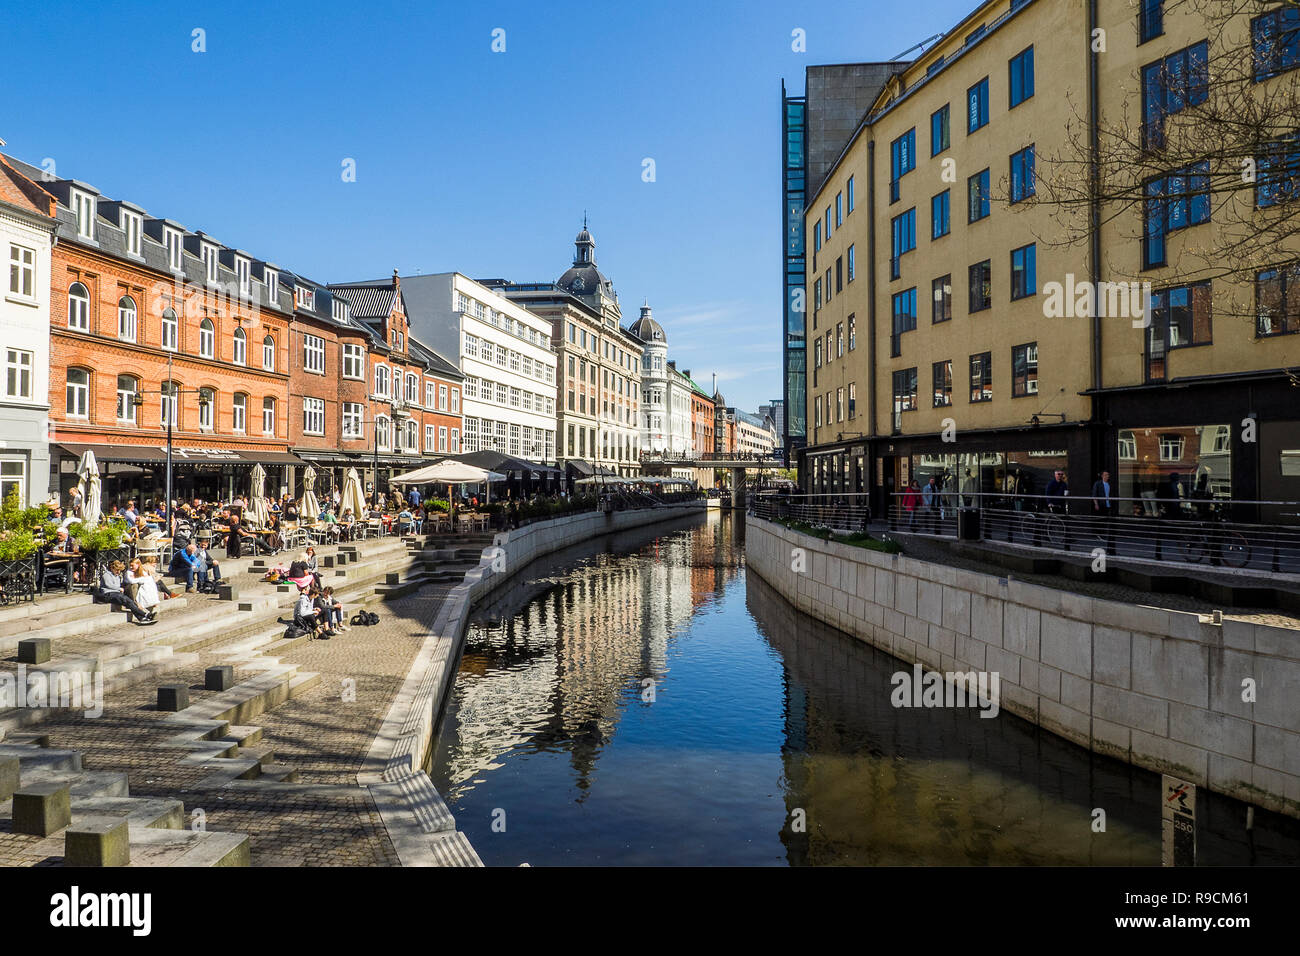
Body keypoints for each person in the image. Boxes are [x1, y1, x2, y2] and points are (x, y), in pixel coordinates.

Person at [96, 559, 152, 623]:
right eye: (117, 570)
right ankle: (144, 614)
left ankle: (141, 618)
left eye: (119, 570)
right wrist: (119, 589)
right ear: (112, 568)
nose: (118, 572)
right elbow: (109, 585)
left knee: (129, 601)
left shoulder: (118, 576)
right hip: (107, 594)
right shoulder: (106, 575)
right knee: (124, 599)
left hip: (116, 594)